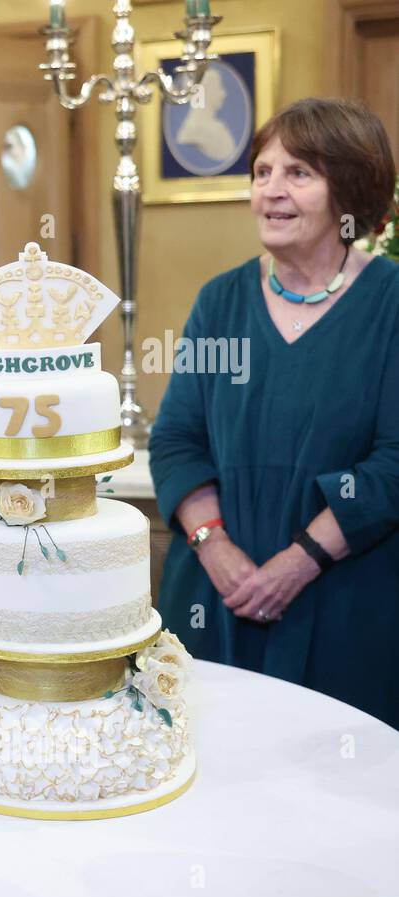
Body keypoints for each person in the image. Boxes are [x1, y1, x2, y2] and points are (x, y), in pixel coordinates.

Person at [150, 97, 399, 728]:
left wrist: (299, 563)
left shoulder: (390, 303)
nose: (272, 191)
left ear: (348, 191)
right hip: (215, 596)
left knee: (333, 794)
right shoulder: (221, 300)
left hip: (345, 597)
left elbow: (395, 464)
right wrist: (215, 548)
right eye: (262, 172)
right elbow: (177, 439)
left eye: (298, 173)